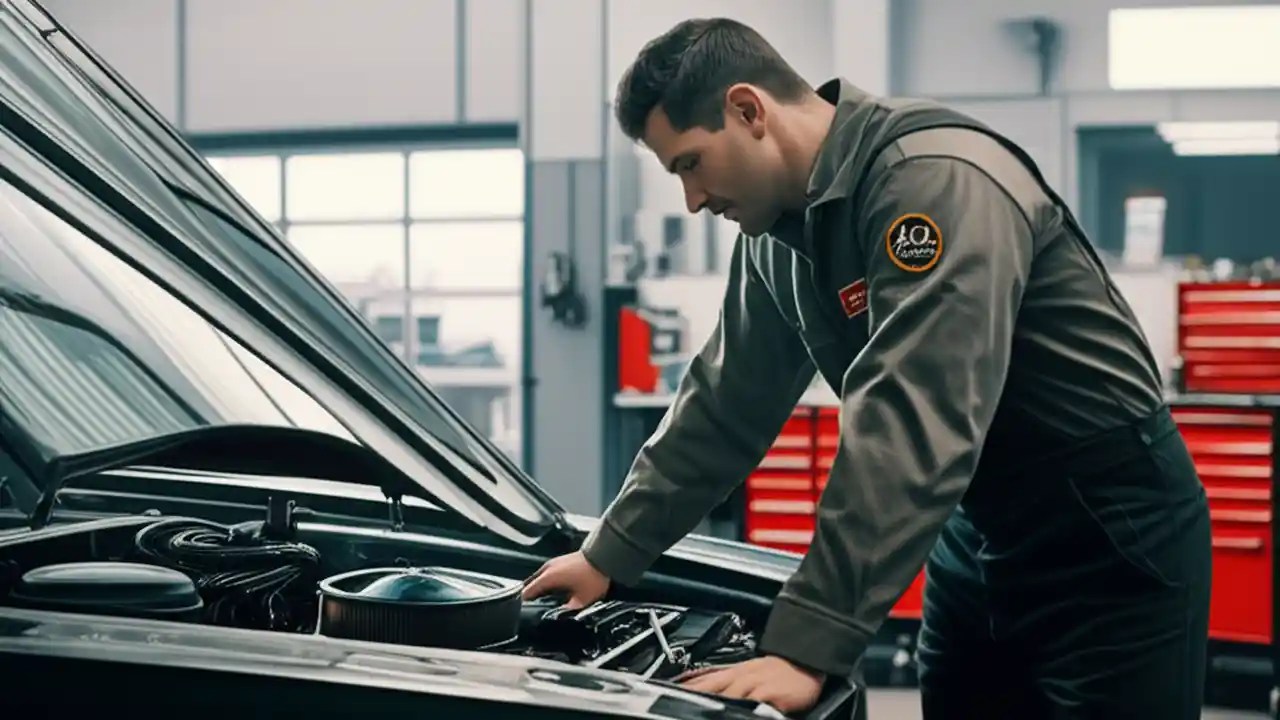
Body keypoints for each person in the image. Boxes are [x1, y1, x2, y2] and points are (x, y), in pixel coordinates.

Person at [522, 17, 1211, 719]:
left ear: (748, 110)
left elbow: (916, 419)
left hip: (1107, 530)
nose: (692, 201)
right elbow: (725, 401)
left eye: (690, 164)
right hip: (978, 529)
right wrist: (610, 553)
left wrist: (805, 647)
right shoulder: (774, 238)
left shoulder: (931, 179)